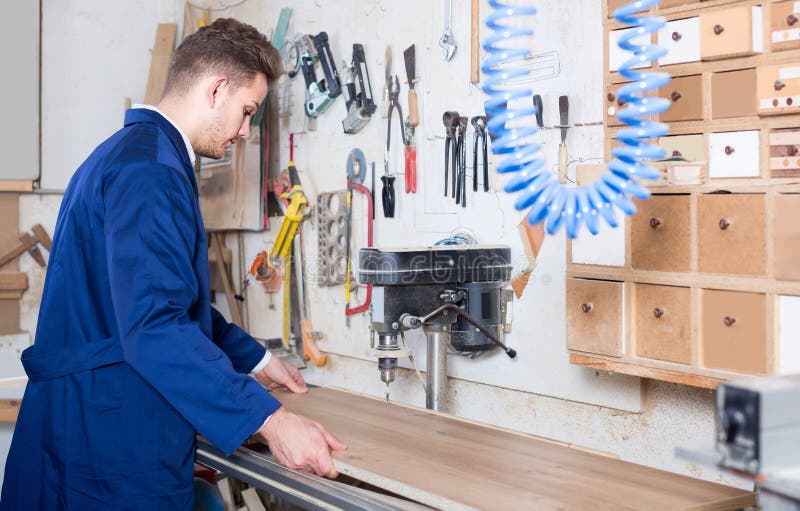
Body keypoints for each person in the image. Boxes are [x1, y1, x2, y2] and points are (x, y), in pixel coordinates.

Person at [0, 18, 344, 510]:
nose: (246, 132)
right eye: (247, 112)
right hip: (110, 432)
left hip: (88, 415)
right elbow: (155, 325)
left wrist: (259, 360)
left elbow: (167, 302)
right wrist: (274, 422)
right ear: (216, 89)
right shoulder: (151, 172)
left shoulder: (122, 155)